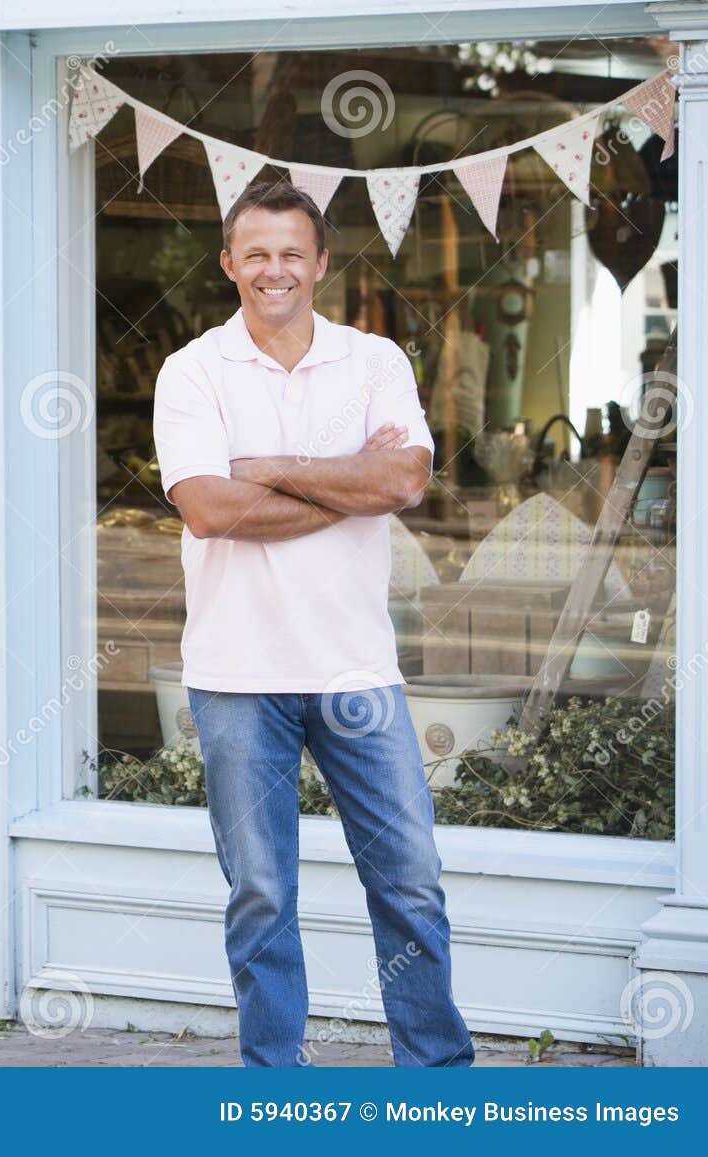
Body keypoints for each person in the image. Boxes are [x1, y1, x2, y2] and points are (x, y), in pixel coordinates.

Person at [151, 178, 474, 1068]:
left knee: (409, 881)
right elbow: (211, 510)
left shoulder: (375, 363)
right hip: (235, 674)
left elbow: (404, 483)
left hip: (355, 670)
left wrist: (278, 467)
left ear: (322, 263)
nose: (274, 270)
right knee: (260, 892)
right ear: (228, 264)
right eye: (255, 253)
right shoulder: (193, 372)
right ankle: (275, 1084)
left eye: (292, 252)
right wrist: (347, 482)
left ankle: (437, 1081)